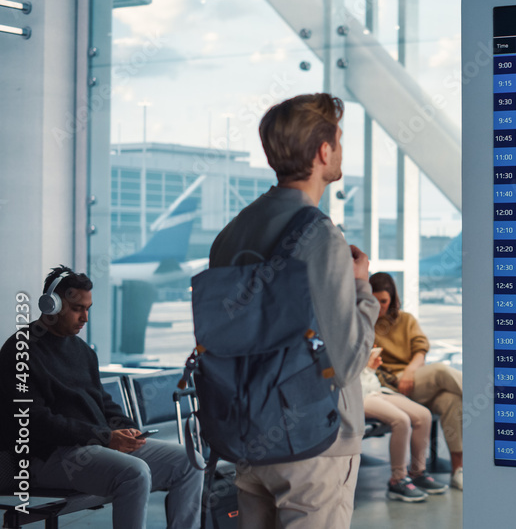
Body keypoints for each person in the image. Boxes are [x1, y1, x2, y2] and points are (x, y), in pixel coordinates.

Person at [209, 93, 379, 527]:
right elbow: (346, 361)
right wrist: (362, 288)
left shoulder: (231, 233)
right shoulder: (320, 235)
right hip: (314, 444)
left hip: (249, 435)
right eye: (338, 141)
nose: (340, 150)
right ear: (324, 151)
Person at [0, 266, 202, 529]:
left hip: (94, 447)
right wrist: (104, 436)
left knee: (189, 462)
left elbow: (103, 403)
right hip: (48, 456)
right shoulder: (21, 350)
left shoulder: (83, 351)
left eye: (88, 309)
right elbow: (36, 421)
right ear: (51, 305)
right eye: (76, 309)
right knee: (134, 473)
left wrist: (125, 427)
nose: (84, 317)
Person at [368, 272, 464, 490]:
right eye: (374, 301)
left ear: (392, 298)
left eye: (384, 301)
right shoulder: (365, 323)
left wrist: (410, 372)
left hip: (412, 378)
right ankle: (498, 399)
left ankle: (457, 470)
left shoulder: (406, 320)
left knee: (451, 401)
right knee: (440, 371)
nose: (379, 306)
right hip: (390, 385)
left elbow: (420, 349)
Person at [361, 347, 448, 502]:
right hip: (359, 395)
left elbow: (368, 379)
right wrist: (365, 366)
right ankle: (397, 480)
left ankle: (417, 473)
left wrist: (370, 367)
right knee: (401, 420)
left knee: (423, 415)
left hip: (375, 390)